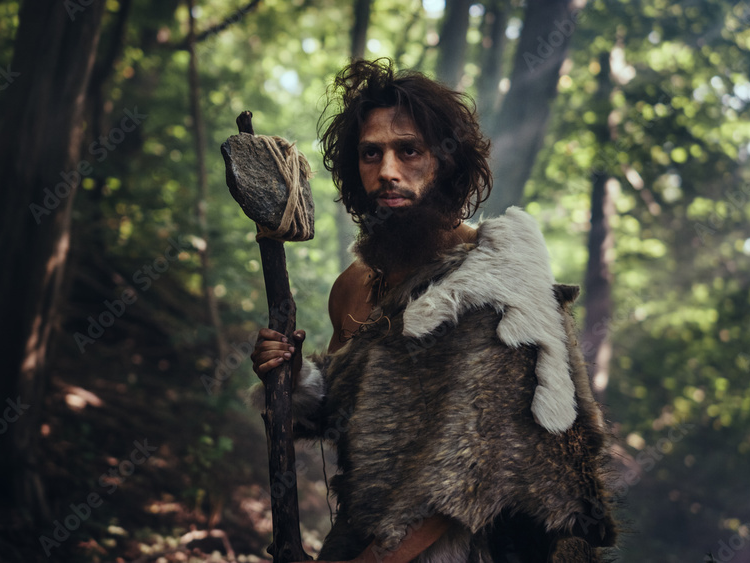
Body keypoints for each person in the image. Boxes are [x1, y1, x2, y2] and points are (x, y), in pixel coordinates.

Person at [251, 58, 616, 563]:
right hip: (369, 531)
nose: (388, 172)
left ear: (446, 162)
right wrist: (294, 376)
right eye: (371, 153)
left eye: (409, 150)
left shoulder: (496, 282)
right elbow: (345, 410)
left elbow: (473, 470)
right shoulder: (353, 287)